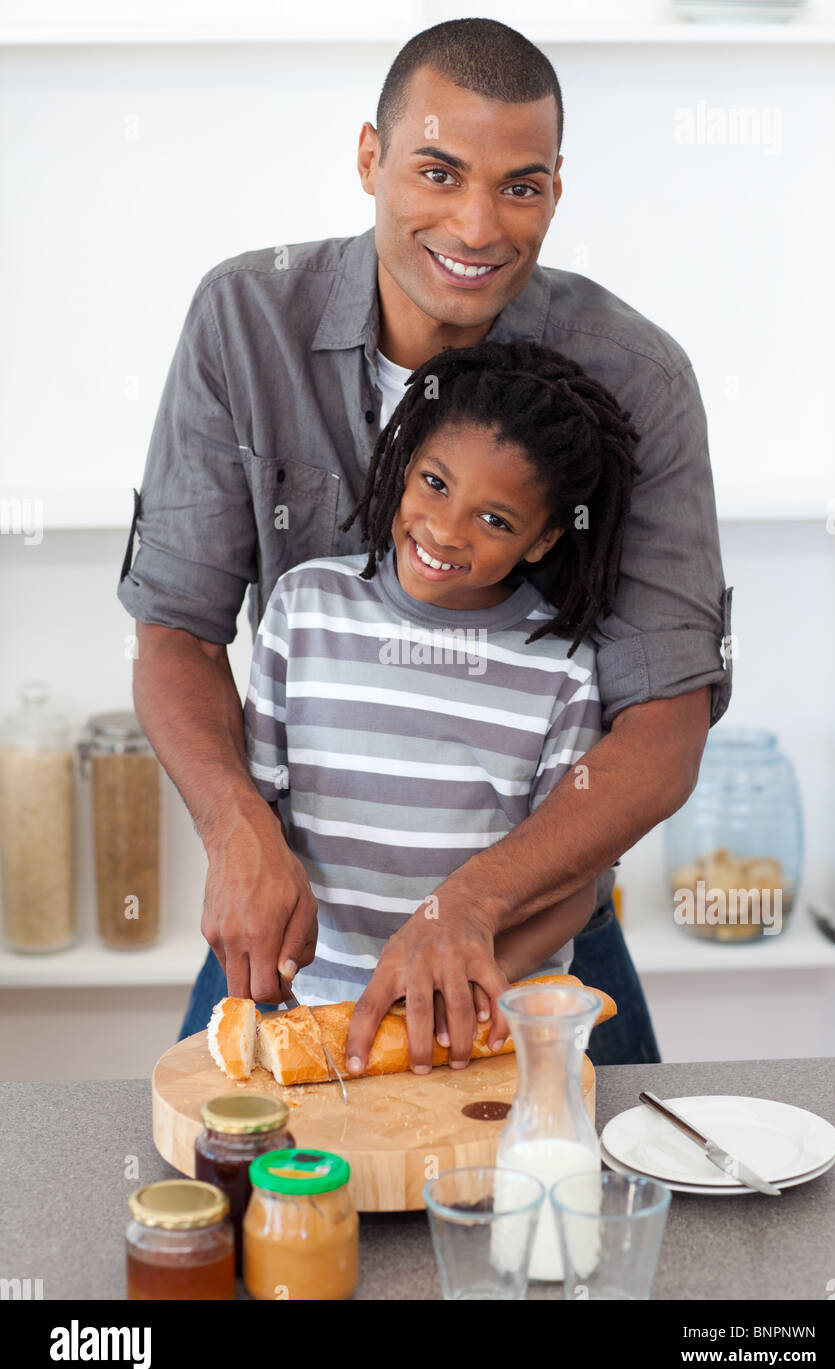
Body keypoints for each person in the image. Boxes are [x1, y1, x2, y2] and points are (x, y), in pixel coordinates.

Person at [118, 19, 732, 1068]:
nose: (476, 224)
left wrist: (471, 906)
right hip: (300, 940)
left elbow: (662, 726)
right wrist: (237, 836)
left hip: (534, 939)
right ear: (369, 158)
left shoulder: (637, 378)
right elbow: (174, 629)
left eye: (520, 186)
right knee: (219, 1199)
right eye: (437, 172)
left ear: (554, 189)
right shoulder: (243, 318)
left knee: (599, 1217)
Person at [188, 340, 641, 1070]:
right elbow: (261, 815)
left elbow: (570, 887)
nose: (445, 529)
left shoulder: (561, 670)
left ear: (545, 539)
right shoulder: (305, 608)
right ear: (402, 466)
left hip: (481, 1034)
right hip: (316, 1018)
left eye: (496, 521)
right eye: (434, 483)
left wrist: (455, 979)